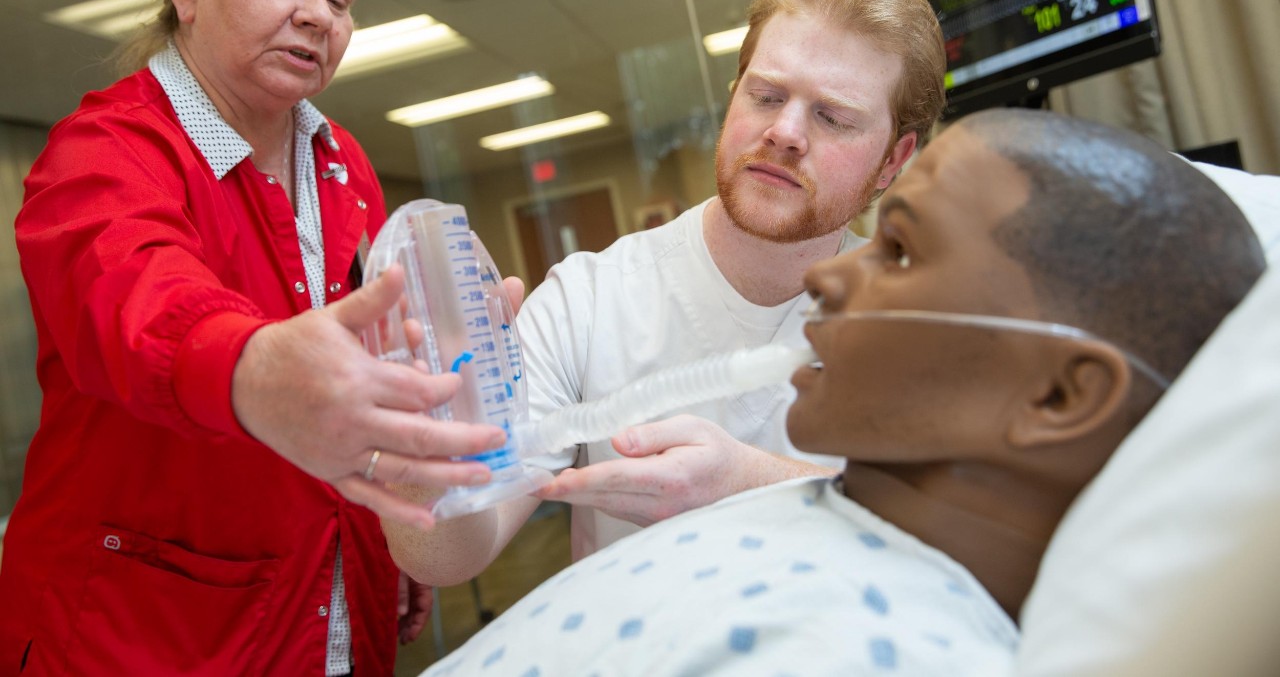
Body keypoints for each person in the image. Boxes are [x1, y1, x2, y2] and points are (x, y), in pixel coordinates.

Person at [413, 108, 1267, 676]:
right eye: (764, 92)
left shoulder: (869, 648)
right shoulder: (825, 518)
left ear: (1060, 395)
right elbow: (451, 544)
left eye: (896, 249)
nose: (827, 275)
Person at [0, 0, 507, 676]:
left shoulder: (344, 164)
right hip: (143, 638)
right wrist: (251, 359)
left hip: (327, 612)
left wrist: (381, 547)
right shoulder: (103, 153)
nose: (318, 14)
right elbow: (137, 303)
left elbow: (364, 372)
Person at [383, 0, 949, 584]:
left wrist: (752, 484)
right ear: (734, 98)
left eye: (833, 117)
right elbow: (449, 555)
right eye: (765, 96)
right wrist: (423, 444)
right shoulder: (586, 302)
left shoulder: (927, 324)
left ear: (894, 160)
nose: (785, 131)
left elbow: (969, 536)